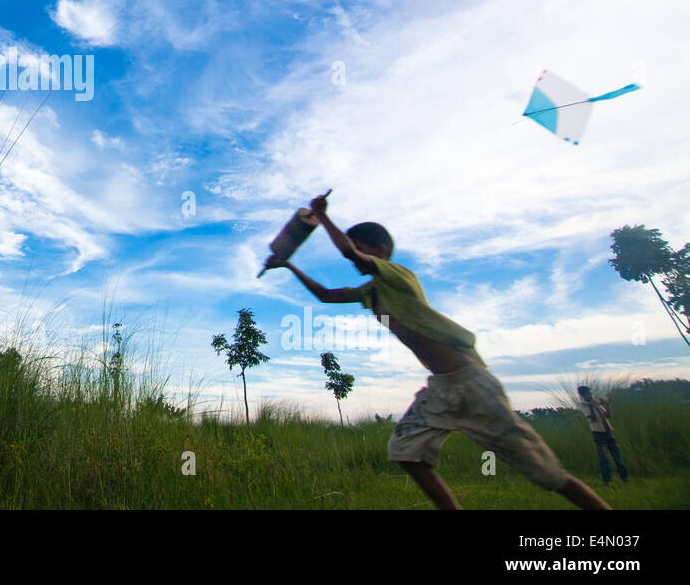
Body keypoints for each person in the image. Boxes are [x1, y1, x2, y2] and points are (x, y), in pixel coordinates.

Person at [264, 193, 609, 510]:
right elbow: (325, 295)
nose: (355, 259)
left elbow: (349, 255)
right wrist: (289, 266)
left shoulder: (399, 276)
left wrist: (322, 217)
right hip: (442, 388)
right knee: (406, 452)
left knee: (545, 474)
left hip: (473, 384)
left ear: (380, 249)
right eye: (354, 250)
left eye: (361, 249)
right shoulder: (372, 293)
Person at [577, 385, 629, 484]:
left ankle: (624, 478)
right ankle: (607, 481)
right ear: (583, 395)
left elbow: (608, 416)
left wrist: (608, 404)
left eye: (591, 393)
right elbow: (592, 419)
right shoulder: (584, 406)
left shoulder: (596, 403)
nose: (591, 395)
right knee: (603, 459)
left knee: (617, 456)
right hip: (598, 434)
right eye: (588, 394)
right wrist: (592, 406)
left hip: (608, 431)